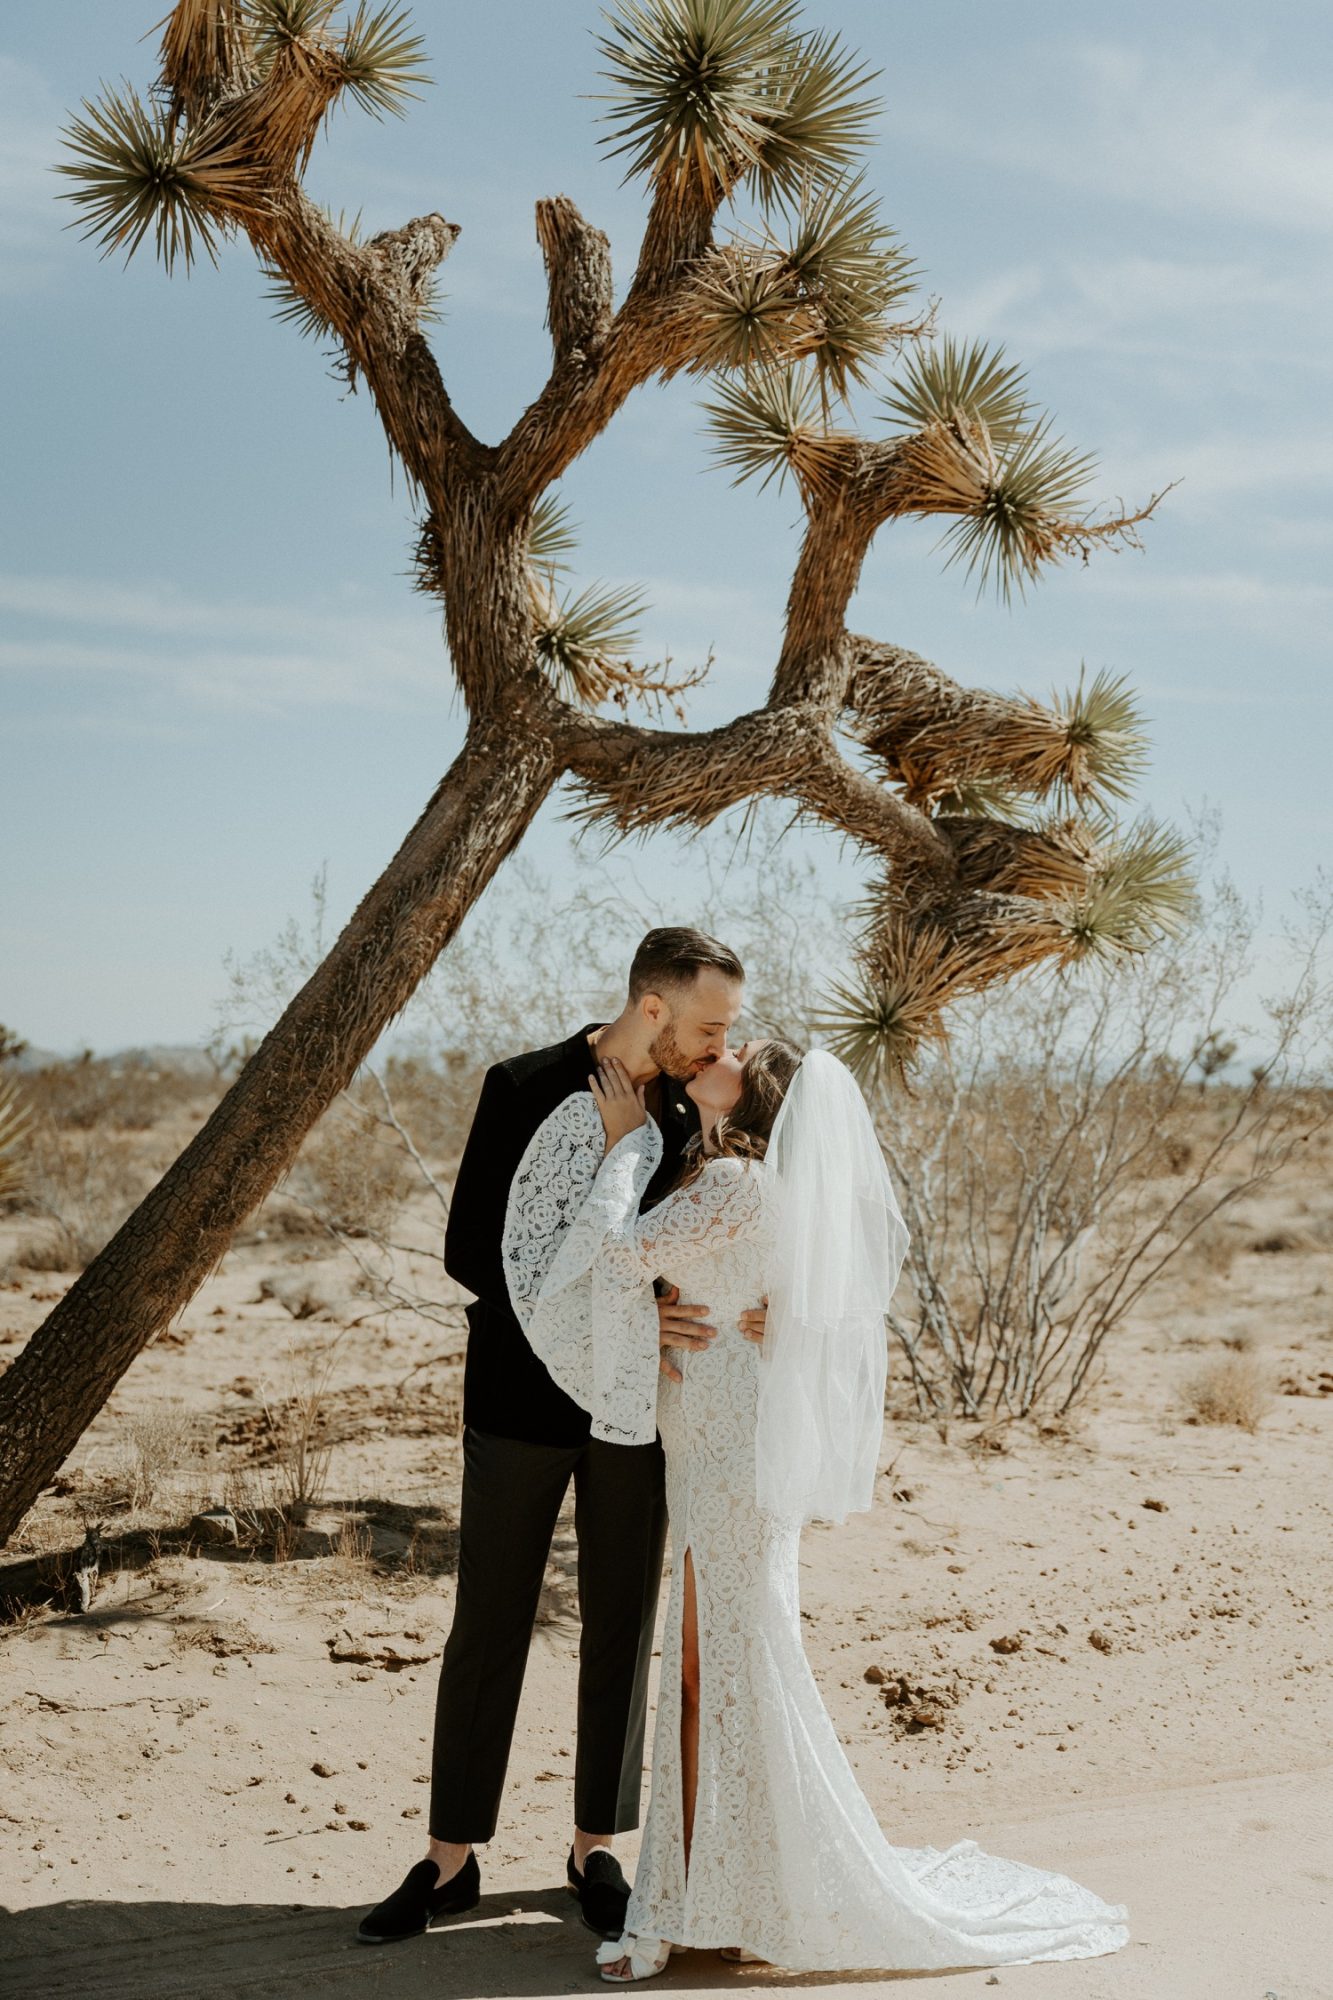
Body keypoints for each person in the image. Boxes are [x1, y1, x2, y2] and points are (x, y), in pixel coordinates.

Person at [505, 1041, 1131, 1980]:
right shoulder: (738, 1183)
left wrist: (625, 1145)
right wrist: (679, 1303)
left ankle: (702, 1902)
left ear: (759, 1093)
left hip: (726, 1454)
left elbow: (606, 1255)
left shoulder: (737, 1183)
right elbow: (702, 1278)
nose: (713, 1053)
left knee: (719, 1671)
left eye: (734, 1053)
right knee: (718, 1669)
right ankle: (722, 1895)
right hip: (720, 1444)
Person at [357, 927, 763, 1946]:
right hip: (514, 1399)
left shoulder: (688, 1111)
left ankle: (596, 1847)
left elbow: (717, 1234)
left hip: (635, 1408)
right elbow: (470, 1251)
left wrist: (747, 1305)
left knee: (621, 1620)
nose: (721, 1044)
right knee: (488, 1618)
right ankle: (448, 1857)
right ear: (655, 1005)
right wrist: (615, 1308)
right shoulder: (523, 1082)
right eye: (709, 1022)